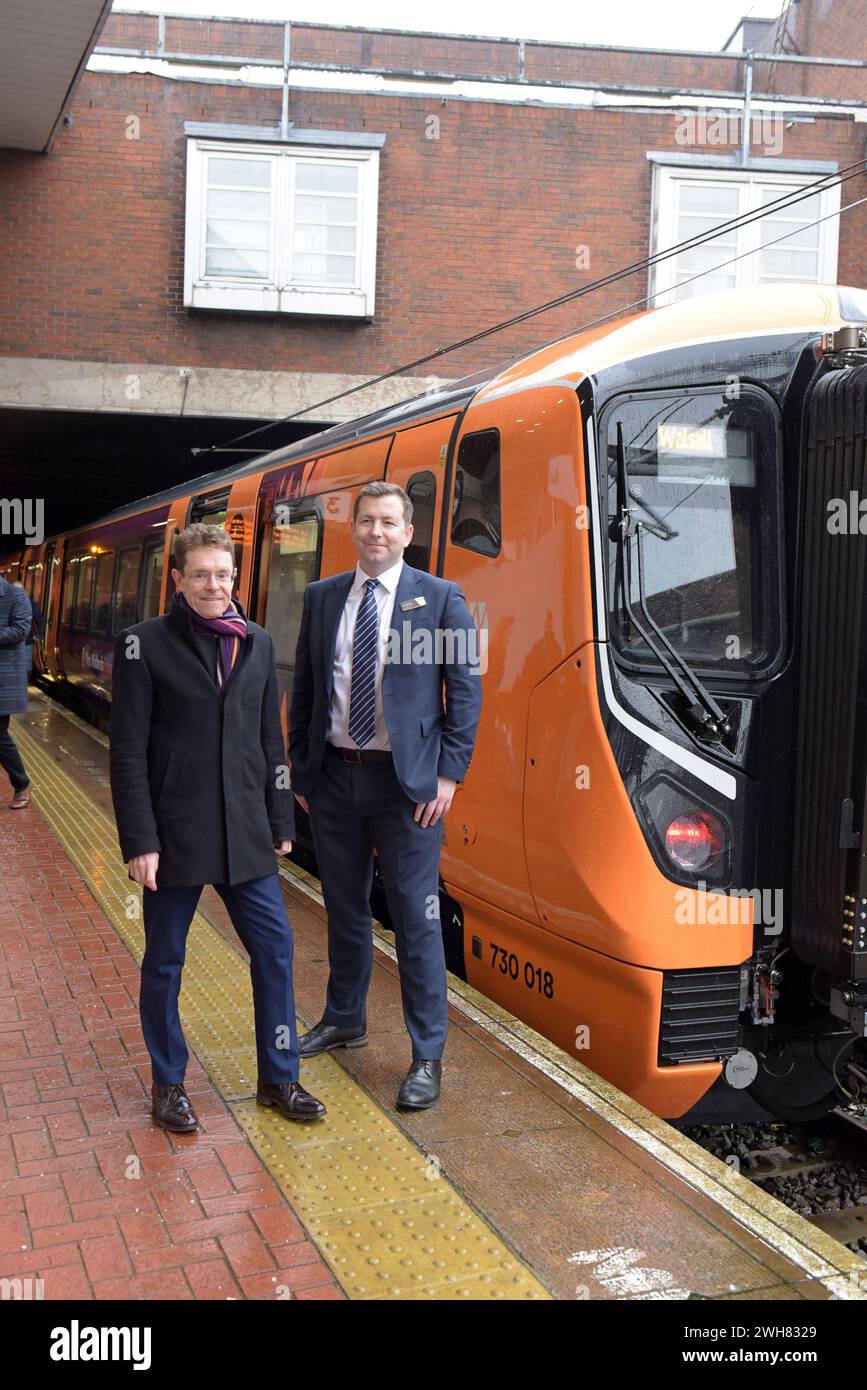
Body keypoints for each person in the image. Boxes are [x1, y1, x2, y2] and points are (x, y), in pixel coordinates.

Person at [109, 523, 326, 1133]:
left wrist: (282, 817)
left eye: (223, 574)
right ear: (177, 579)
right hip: (174, 834)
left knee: (275, 952)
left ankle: (279, 1077)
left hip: (246, 831)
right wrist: (139, 841)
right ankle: (169, 1083)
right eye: (200, 574)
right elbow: (126, 753)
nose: (213, 585)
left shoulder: (255, 640)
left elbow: (269, 740)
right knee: (166, 961)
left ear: (236, 578)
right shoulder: (142, 644)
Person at [289, 481, 483, 1109]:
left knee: (416, 921)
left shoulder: (441, 599)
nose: (376, 531)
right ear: (356, 529)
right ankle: (345, 1017)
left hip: (409, 791)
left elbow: (466, 693)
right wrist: (303, 770)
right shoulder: (322, 600)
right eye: (367, 520)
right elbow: (307, 689)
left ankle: (427, 1054)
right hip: (336, 778)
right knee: (343, 909)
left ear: (406, 532)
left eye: (389, 522)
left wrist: (449, 778)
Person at [0, 574, 32, 809]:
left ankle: (21, 784)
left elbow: (21, 630)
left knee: (0, 736)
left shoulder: (16, 596)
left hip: (3, 678)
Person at [12, 581, 44, 683]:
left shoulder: (30, 603)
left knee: (27, 667)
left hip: (26, 642)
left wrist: (38, 635)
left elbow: (39, 620)